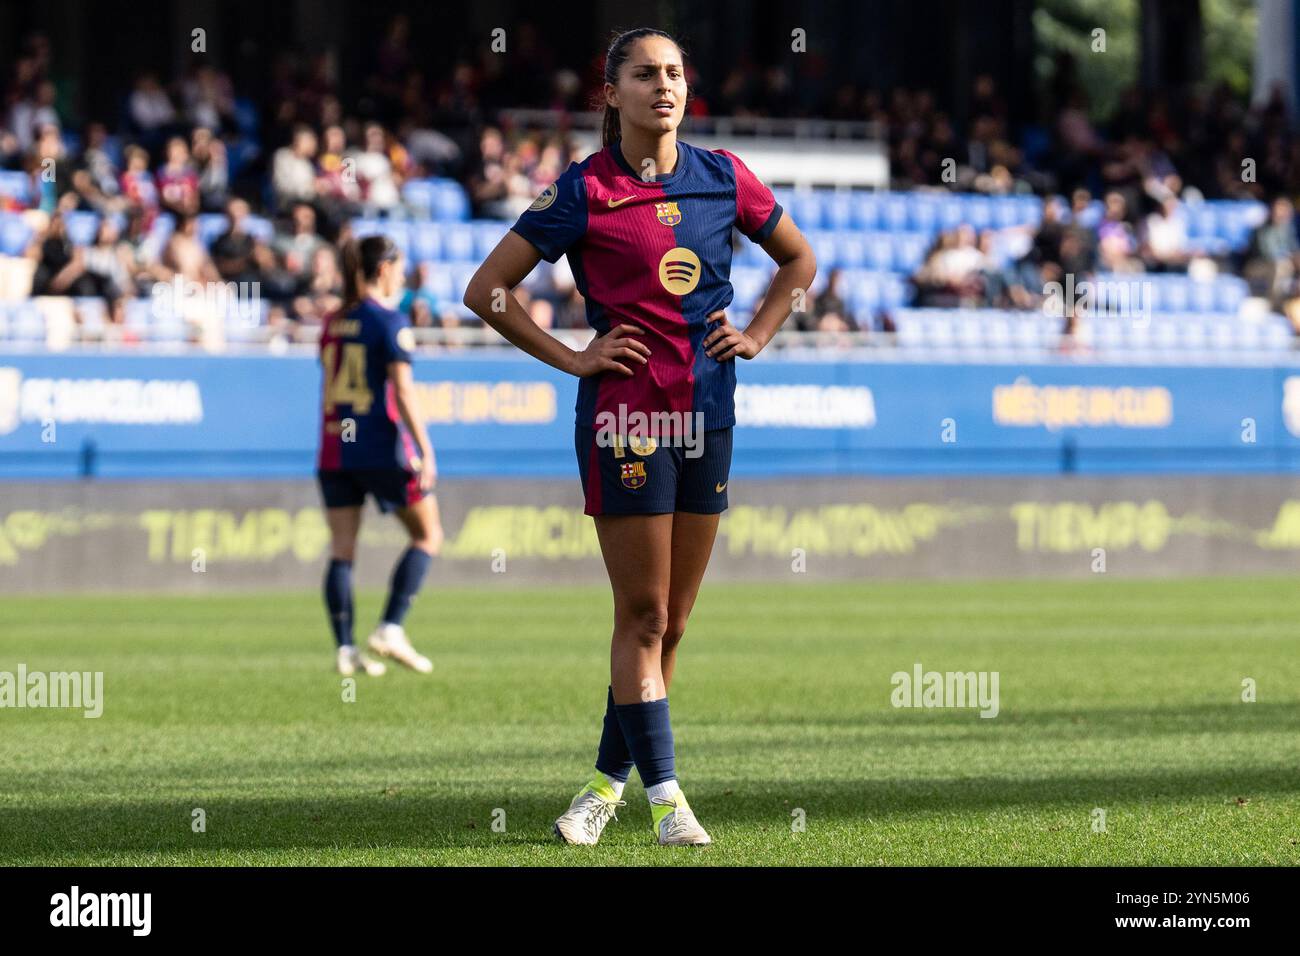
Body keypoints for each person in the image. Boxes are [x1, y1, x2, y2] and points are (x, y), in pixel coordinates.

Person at [463, 28, 816, 847]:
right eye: (645, 74)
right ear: (611, 93)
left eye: (674, 73)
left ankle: (599, 790)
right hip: (626, 419)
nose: (664, 86)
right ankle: (668, 801)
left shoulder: (726, 176)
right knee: (645, 614)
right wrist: (576, 358)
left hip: (708, 414)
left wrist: (760, 333)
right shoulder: (584, 190)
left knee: (676, 623)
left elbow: (798, 262)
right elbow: (489, 290)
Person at [317, 235, 443, 677]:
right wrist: (425, 450)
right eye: (400, 266)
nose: (404, 275)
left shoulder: (333, 321)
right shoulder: (388, 321)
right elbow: (403, 390)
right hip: (378, 446)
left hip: (335, 447)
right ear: (385, 268)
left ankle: (346, 650)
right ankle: (390, 627)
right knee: (429, 535)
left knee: (343, 551)